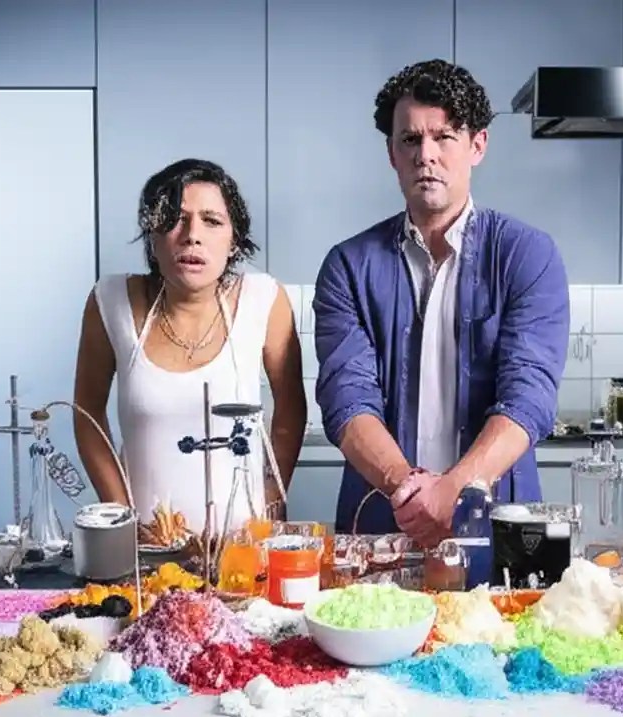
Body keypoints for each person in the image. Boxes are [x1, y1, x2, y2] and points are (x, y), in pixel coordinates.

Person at [313, 59, 569, 547]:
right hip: (382, 529)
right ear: (391, 153)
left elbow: (528, 396)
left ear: (477, 146)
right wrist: (411, 491)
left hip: (497, 527)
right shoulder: (348, 266)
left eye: (443, 137)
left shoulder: (527, 255)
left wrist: (454, 491)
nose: (425, 154)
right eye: (410, 140)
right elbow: (347, 399)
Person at [74, 158, 306, 542]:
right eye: (176, 219)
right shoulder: (111, 300)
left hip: (243, 541)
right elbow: (87, 416)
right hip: (146, 545)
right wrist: (123, 521)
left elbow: (291, 409)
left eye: (212, 221)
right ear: (152, 234)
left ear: (234, 240)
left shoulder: (264, 299)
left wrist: (269, 502)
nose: (192, 236)